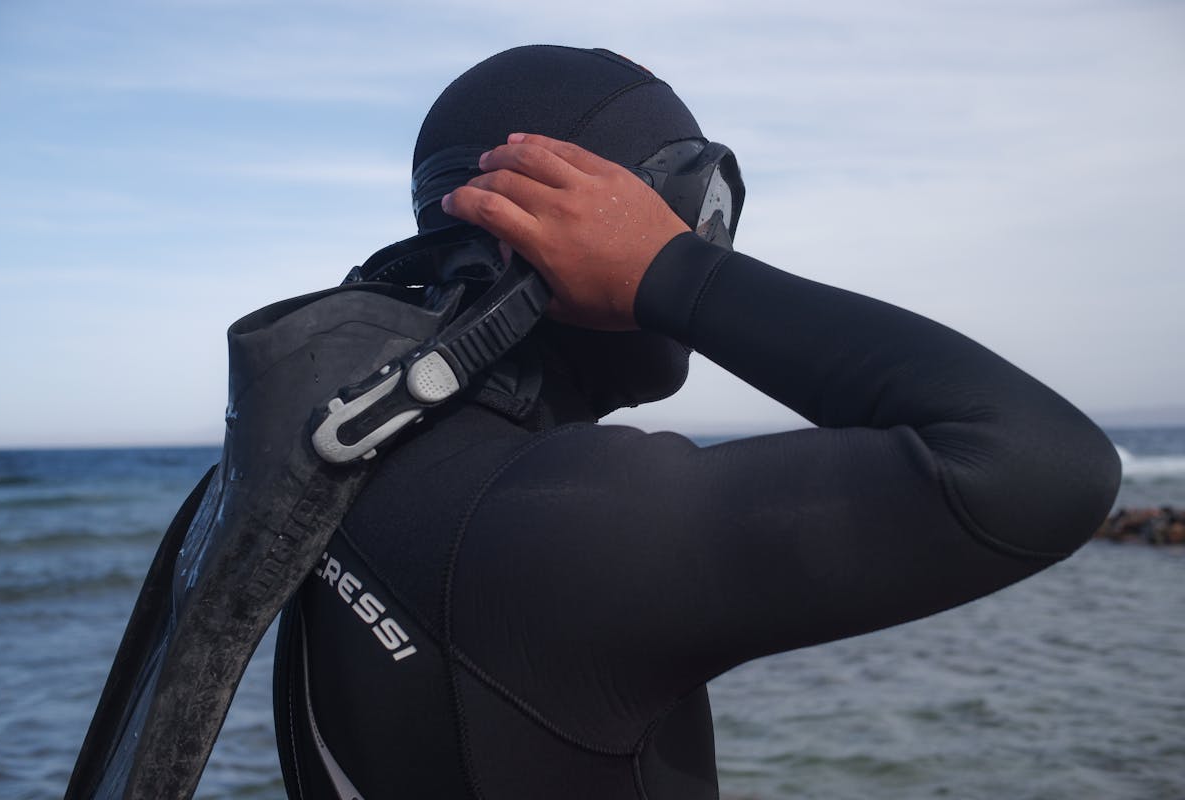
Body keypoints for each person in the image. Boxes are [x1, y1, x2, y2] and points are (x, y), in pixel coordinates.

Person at [272, 45, 1120, 799]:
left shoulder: (336, 463)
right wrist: (676, 274)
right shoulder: (549, 526)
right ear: (547, 236)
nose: (712, 244)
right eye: (691, 218)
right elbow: (1039, 466)